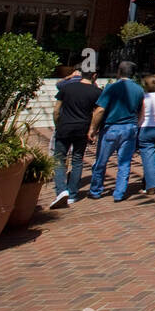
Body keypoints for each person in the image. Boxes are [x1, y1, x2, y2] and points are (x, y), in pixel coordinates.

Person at [88, 61, 145, 201]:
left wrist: (92, 128)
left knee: (101, 161)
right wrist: (135, 125)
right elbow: (142, 111)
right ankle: (119, 193)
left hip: (111, 127)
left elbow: (100, 109)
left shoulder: (111, 87)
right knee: (124, 162)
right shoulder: (139, 90)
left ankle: (96, 190)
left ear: (119, 72)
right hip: (130, 128)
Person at [50, 69, 102, 207]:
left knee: (59, 158)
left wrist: (57, 124)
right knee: (77, 159)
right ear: (94, 76)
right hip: (82, 128)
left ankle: (61, 190)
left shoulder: (67, 87)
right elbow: (99, 111)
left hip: (65, 126)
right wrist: (93, 129)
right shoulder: (96, 92)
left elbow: (56, 110)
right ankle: (72, 194)